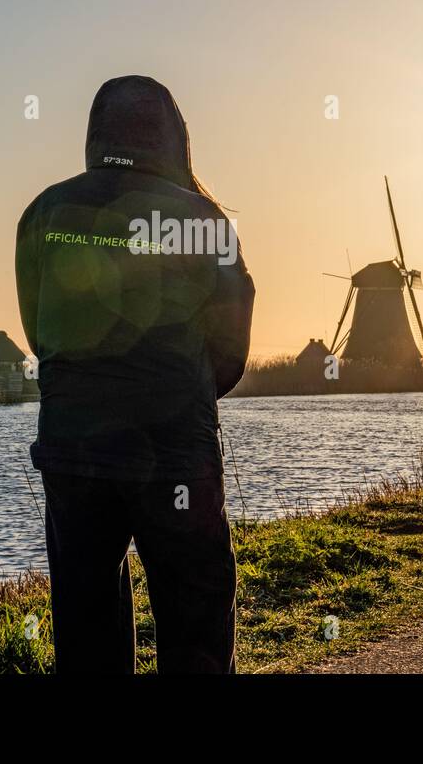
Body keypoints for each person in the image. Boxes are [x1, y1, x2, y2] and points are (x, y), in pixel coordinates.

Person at [15, 74, 255, 673]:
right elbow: (232, 347)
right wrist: (186, 389)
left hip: (74, 455)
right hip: (175, 452)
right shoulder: (204, 220)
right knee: (194, 613)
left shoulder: (44, 213)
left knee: (85, 619)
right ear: (174, 139)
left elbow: (40, 334)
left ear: (94, 135)